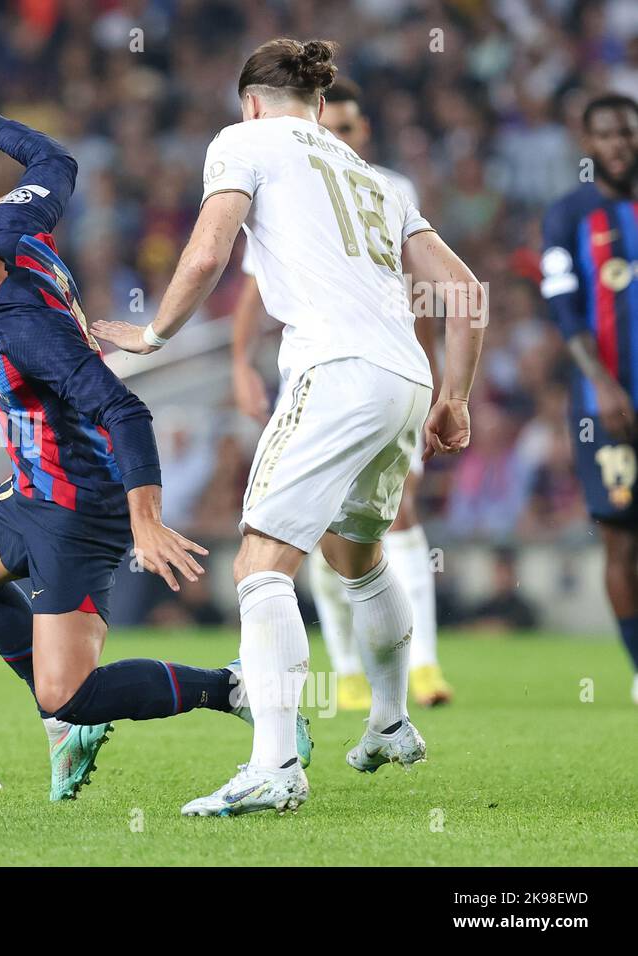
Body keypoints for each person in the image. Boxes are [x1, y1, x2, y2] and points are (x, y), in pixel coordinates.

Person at [0, 68, 310, 801]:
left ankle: (234, 691)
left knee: (68, 690)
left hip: (77, 502)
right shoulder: (10, 227)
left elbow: (124, 411)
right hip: (32, 484)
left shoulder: (26, 331)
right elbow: (56, 163)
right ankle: (64, 720)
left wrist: (147, 521)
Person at [94, 39, 484, 816]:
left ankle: (274, 765)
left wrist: (153, 335)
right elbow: (465, 290)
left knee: (261, 567)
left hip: (334, 370)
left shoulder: (245, 141)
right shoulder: (373, 177)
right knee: (357, 555)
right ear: (316, 103)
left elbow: (206, 254)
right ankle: (389, 719)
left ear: (250, 101)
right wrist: (456, 396)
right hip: (405, 377)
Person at [230, 77, 451, 710]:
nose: (339, 137)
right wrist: (240, 363)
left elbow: (429, 293)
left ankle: (419, 670)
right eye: (335, 127)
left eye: (350, 129)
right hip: (358, 371)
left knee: (298, 540)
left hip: (358, 369)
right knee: (333, 529)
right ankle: (361, 682)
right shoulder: (290, 177)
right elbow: (252, 286)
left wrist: (438, 379)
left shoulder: (385, 185)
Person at [540, 92, 638, 706]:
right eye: (606, 135)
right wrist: (602, 383)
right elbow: (562, 305)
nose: (619, 145)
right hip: (602, 407)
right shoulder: (569, 213)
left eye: (627, 134)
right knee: (623, 538)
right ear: (587, 144)